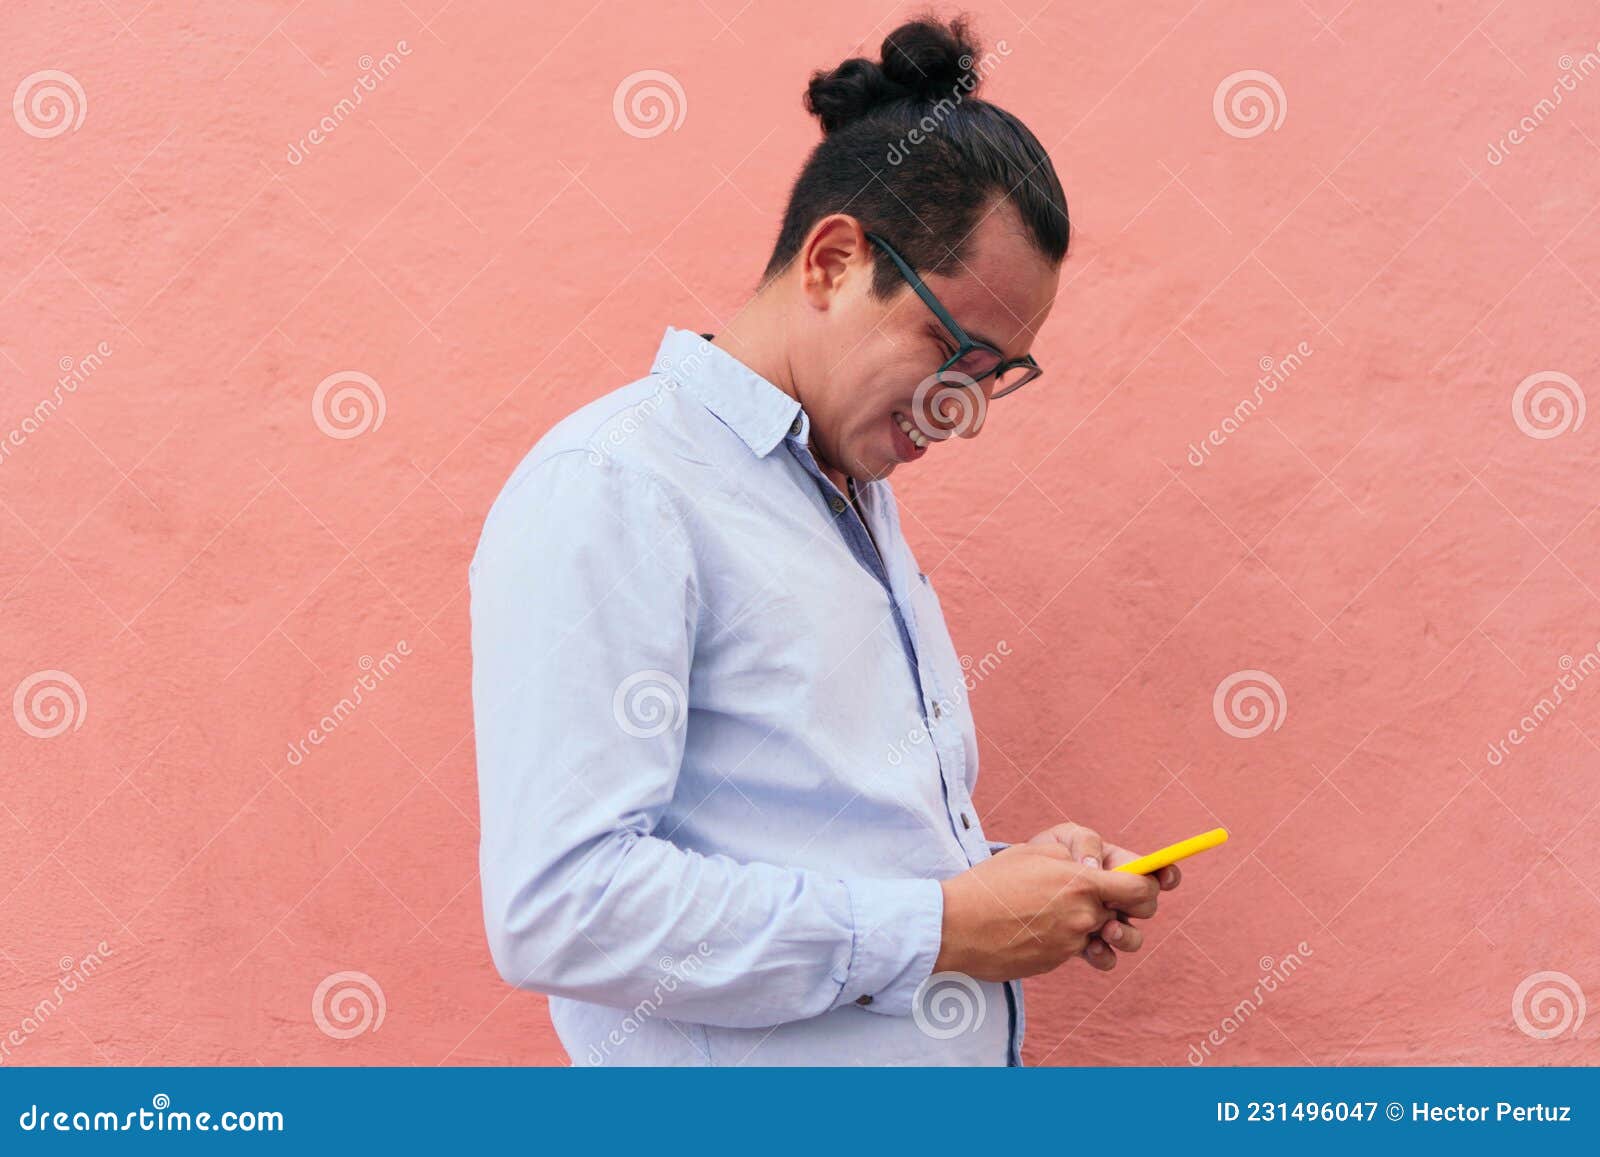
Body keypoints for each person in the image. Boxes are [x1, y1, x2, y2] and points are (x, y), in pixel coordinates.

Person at [469, 15, 1180, 1067]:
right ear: (835, 260)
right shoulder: (618, 485)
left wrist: (1003, 882)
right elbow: (562, 906)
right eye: (952, 349)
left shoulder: (845, 492)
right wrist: (945, 927)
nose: (961, 410)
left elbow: (813, 844)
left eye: (994, 377)